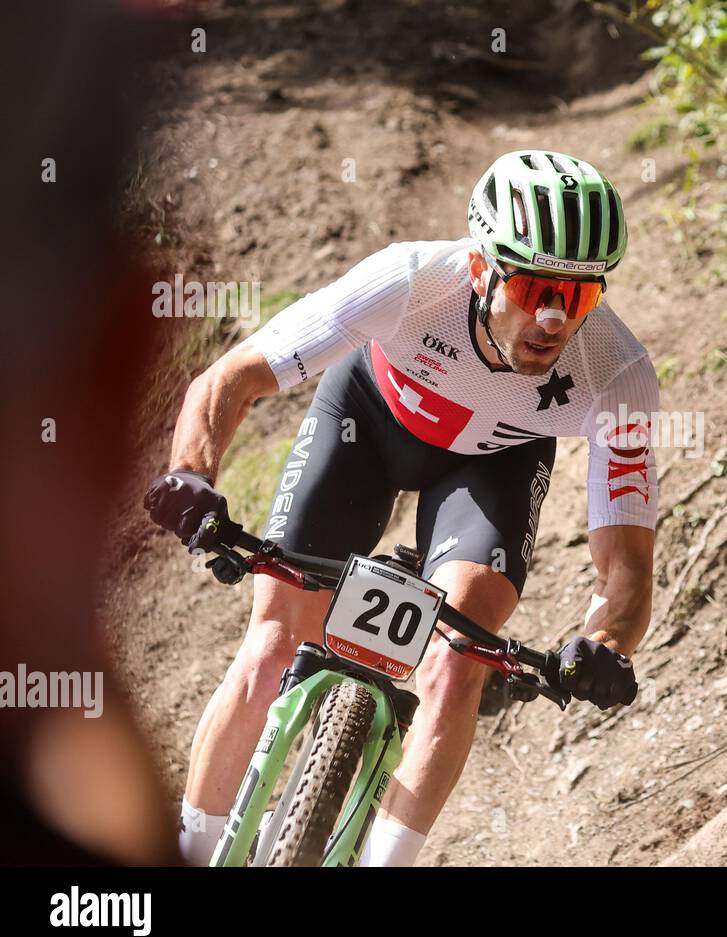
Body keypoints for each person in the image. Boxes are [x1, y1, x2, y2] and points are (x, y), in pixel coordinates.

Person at [145, 150, 658, 866]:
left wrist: (605, 645)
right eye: (538, 288)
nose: (552, 319)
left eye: (578, 298)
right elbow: (231, 379)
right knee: (272, 645)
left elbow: (627, 564)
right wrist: (191, 478)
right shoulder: (414, 279)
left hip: (494, 466)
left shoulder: (618, 374)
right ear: (482, 269)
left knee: (457, 660)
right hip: (367, 422)